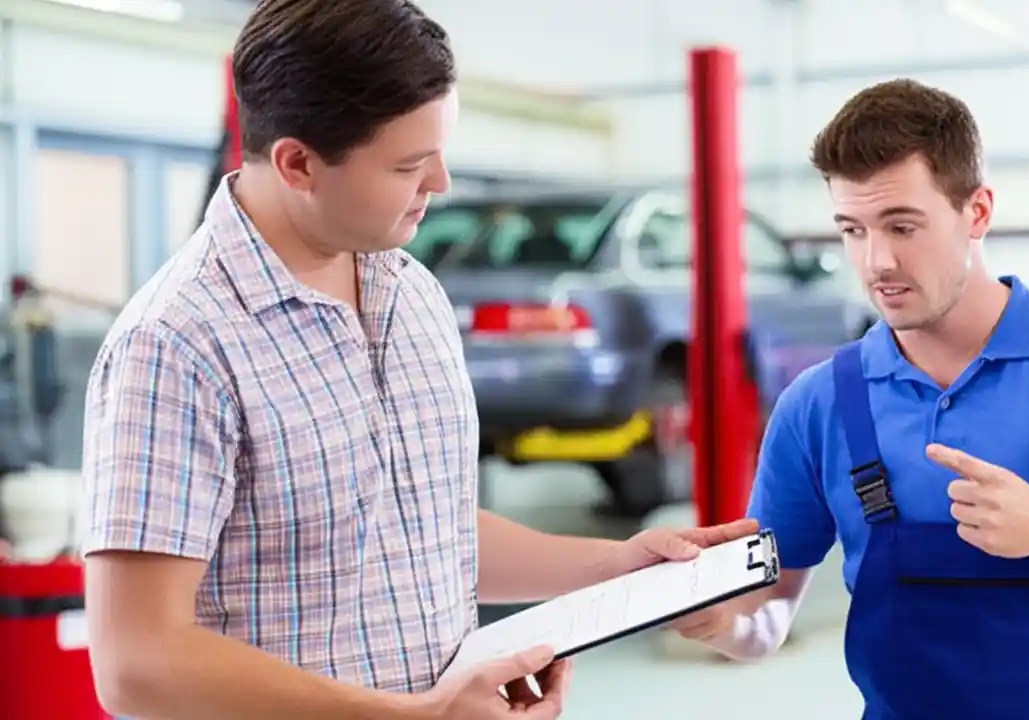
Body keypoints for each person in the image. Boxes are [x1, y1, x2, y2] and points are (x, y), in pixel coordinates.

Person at [79, 2, 757, 719]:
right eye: (409, 163)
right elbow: (139, 662)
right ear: (298, 163)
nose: (442, 182)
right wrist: (419, 716)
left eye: (440, 149)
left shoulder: (409, 292)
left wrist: (617, 568)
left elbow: (428, 530)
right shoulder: (176, 346)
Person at [669, 78, 1029, 719]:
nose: (877, 262)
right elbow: (771, 613)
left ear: (977, 212)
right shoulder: (819, 404)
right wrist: (725, 622)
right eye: (852, 229)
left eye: (902, 226)